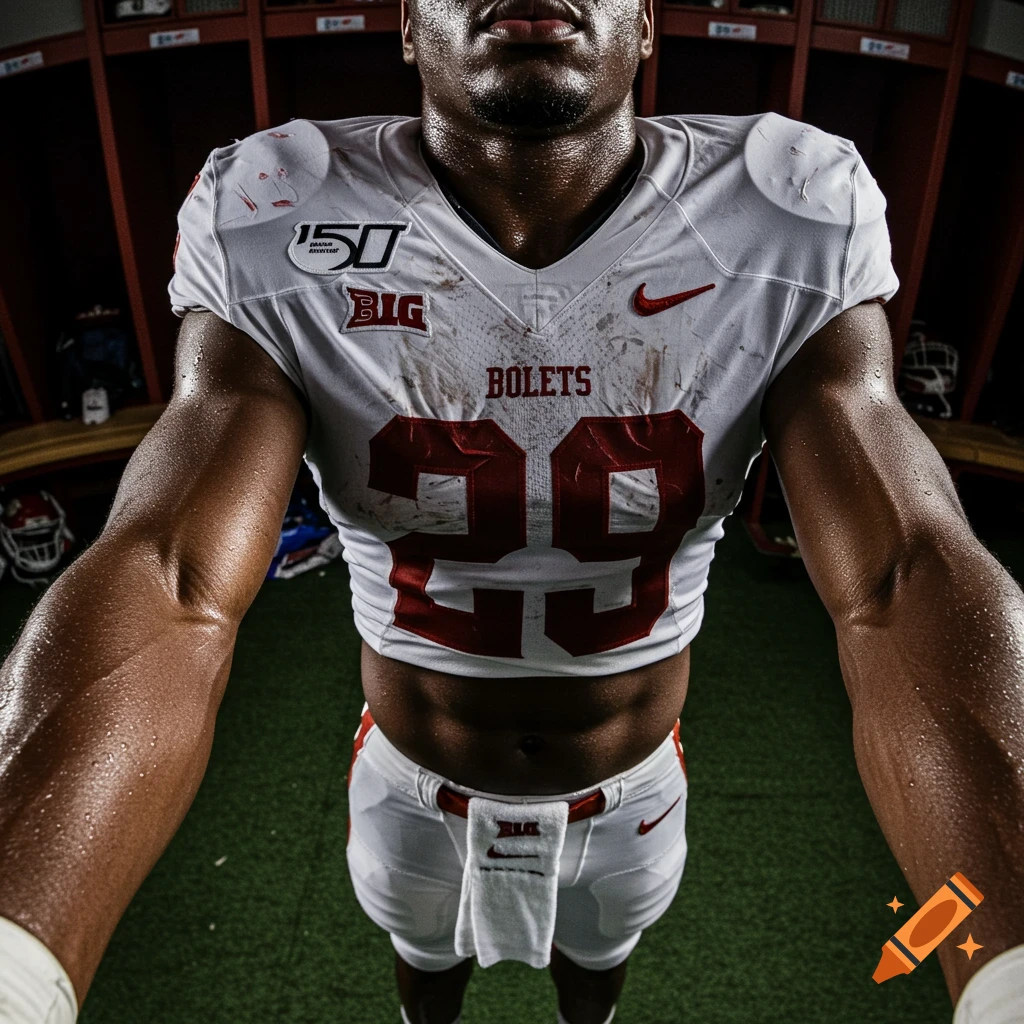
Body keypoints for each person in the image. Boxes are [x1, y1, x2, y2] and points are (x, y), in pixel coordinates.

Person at [1, 0, 1022, 1021]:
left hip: (627, 781)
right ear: (407, 25)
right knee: (423, 967)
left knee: (598, 967)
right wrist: (17, 955)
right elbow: (171, 576)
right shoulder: (280, 213)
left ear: (650, 21)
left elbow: (903, 576)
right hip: (413, 777)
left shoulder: (786, 211)